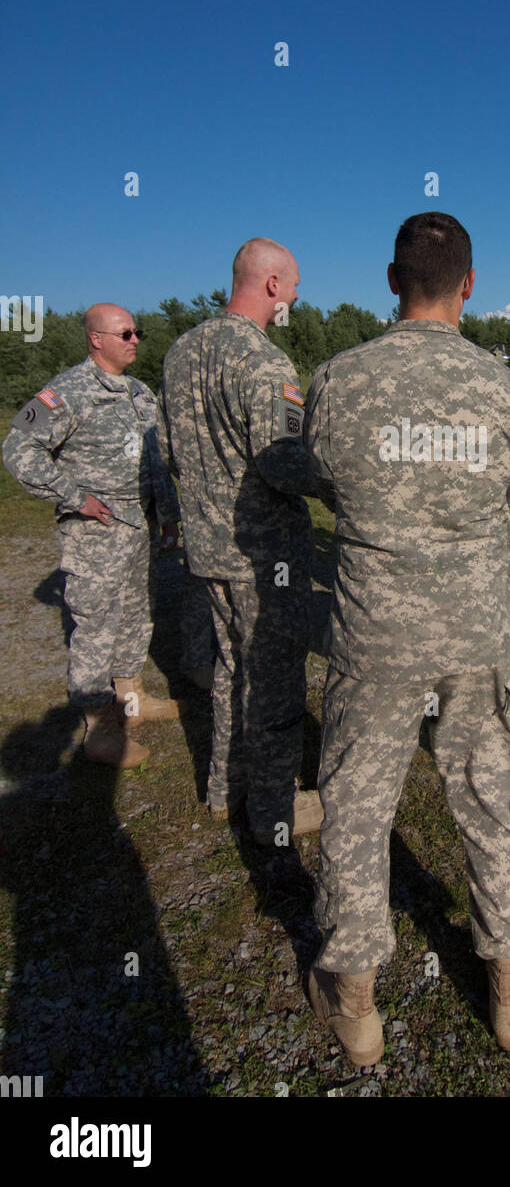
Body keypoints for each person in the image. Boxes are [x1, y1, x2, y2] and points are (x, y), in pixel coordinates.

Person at [303, 212, 510, 1065]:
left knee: (358, 807)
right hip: (475, 628)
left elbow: (325, 477)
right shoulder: (503, 387)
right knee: (491, 797)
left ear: (393, 279)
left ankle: (356, 998)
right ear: (470, 284)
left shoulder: (340, 378)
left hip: (375, 633)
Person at [155, 238, 322, 846]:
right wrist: (335, 479)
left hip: (207, 548)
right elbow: (284, 465)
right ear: (272, 284)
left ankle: (225, 789)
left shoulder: (179, 353)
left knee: (231, 670)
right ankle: (273, 812)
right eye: (296, 283)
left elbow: (170, 452)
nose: (298, 295)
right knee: (274, 683)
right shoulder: (264, 362)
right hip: (262, 557)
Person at [2, 305, 181, 768]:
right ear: (95, 338)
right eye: (124, 333)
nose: (135, 339)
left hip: (139, 526)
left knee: (138, 614)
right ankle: (98, 729)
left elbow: (156, 460)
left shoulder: (140, 393)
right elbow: (18, 449)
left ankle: (131, 701)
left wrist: (168, 514)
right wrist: (72, 495)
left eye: (136, 331)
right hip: (95, 532)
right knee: (96, 627)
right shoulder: (67, 391)